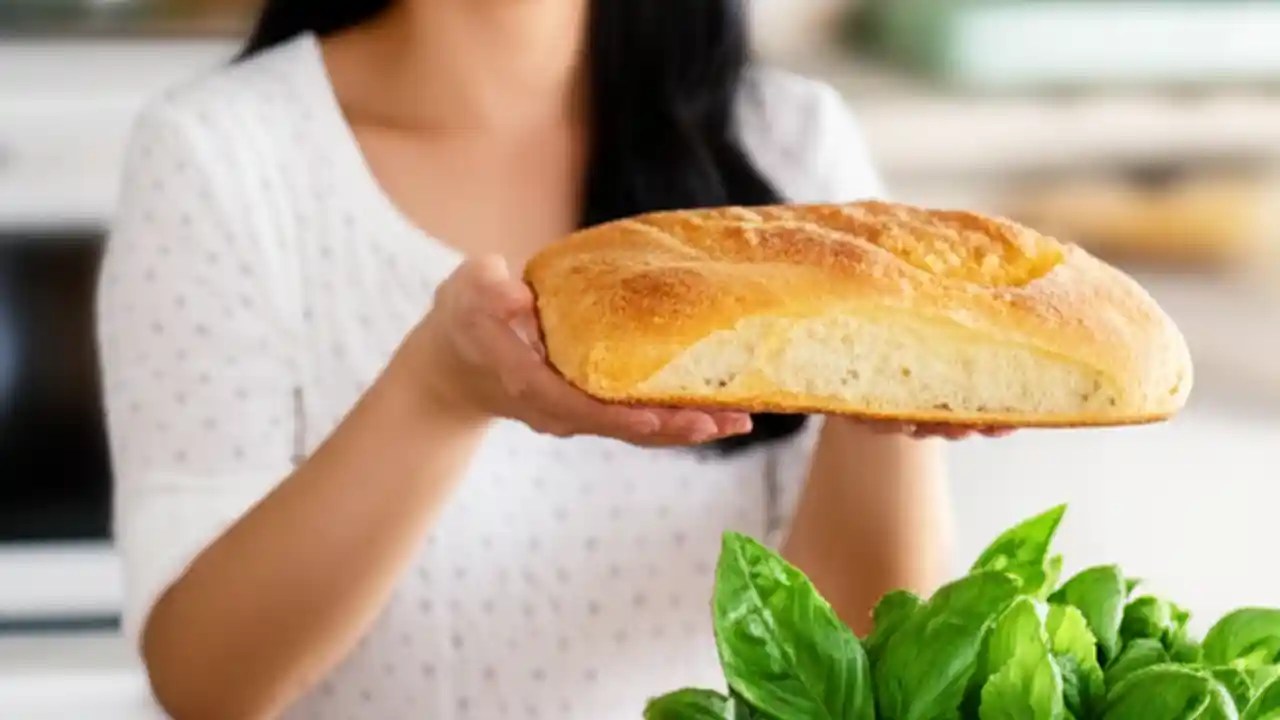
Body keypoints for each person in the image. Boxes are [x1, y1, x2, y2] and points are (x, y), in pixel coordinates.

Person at [96, 0, 1008, 717]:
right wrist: (435, 394)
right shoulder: (221, 157)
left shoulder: (794, 145)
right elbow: (206, 682)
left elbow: (867, 664)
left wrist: (888, 402)